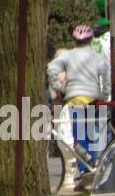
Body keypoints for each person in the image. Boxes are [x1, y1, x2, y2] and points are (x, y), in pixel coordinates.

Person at [47, 24, 111, 178]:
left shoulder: (67, 56)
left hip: (76, 103)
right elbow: (106, 79)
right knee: (95, 138)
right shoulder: (97, 57)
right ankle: (92, 169)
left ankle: (87, 170)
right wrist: (104, 95)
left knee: (81, 139)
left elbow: (51, 69)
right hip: (93, 103)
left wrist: (60, 90)